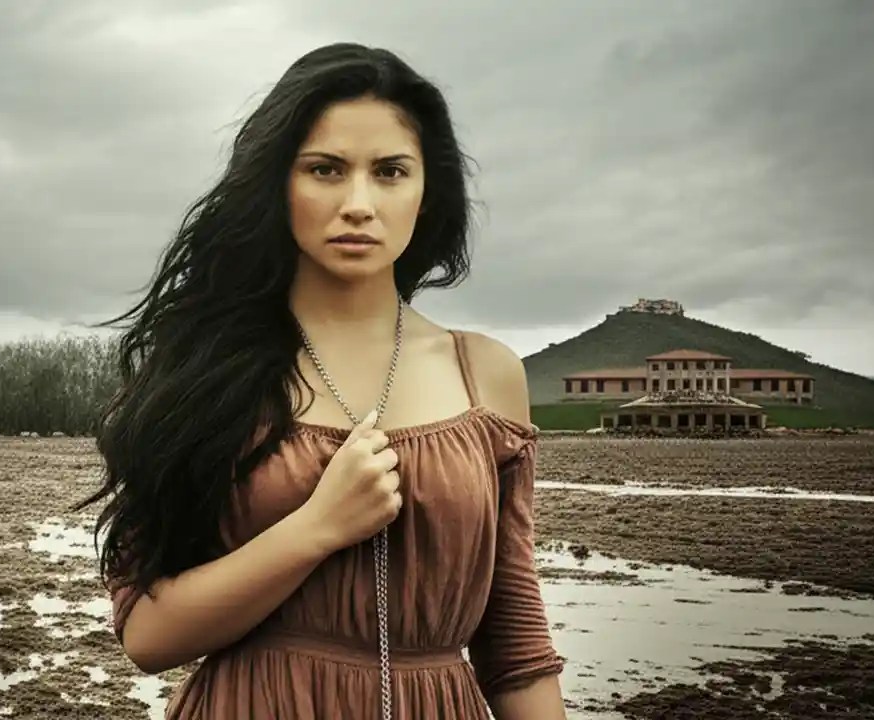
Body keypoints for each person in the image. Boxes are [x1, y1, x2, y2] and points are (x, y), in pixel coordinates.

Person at [76, 42, 567, 719]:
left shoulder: (486, 376)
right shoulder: (204, 370)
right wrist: (316, 528)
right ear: (280, 184)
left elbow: (513, 640)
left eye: (391, 171)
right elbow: (148, 636)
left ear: (426, 193)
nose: (359, 203)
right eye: (326, 170)